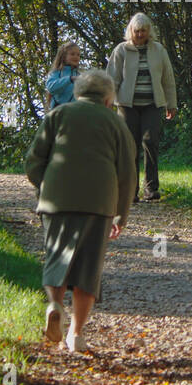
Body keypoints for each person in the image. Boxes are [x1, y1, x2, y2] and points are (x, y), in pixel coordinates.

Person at [24, 69, 136, 353]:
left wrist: (44, 185)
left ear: (77, 93)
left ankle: (55, 306)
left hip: (56, 200)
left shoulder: (58, 115)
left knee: (56, 259)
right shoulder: (116, 122)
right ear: (109, 98)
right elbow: (127, 173)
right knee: (88, 270)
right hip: (98, 204)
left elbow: (34, 159)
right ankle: (76, 334)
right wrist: (121, 214)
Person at [106, 13, 177, 202]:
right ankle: (130, 190)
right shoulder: (121, 50)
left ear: (149, 32)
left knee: (150, 142)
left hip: (153, 104)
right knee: (130, 147)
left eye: (143, 31)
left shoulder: (159, 50)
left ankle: (151, 189)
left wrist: (171, 104)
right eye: (136, 31)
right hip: (127, 105)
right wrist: (106, 102)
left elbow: (168, 79)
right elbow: (112, 78)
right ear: (131, 31)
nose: (139, 34)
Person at [44, 41, 82, 110]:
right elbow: (51, 87)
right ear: (63, 56)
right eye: (72, 54)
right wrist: (69, 79)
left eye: (78, 55)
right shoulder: (57, 72)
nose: (76, 57)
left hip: (75, 113)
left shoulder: (79, 75)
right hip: (59, 112)